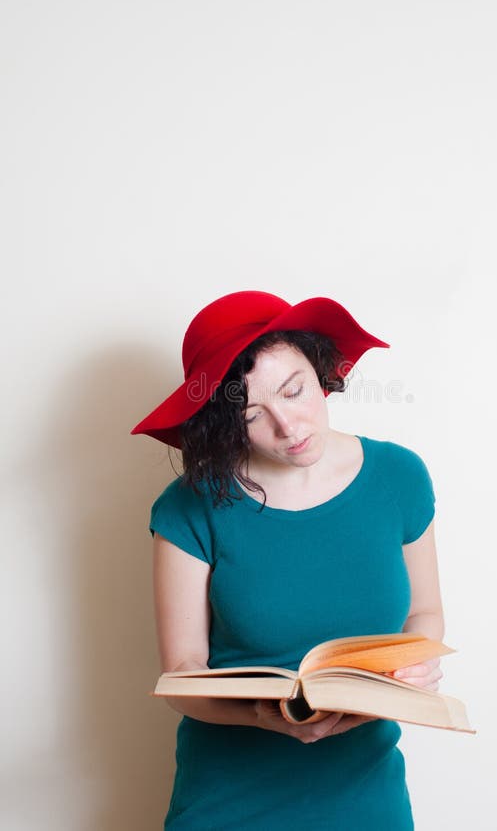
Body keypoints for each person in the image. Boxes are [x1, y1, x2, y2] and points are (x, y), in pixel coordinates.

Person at [131, 289, 445, 830]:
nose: (289, 426)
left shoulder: (399, 477)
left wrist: (414, 667)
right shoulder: (189, 506)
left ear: (319, 369)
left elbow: (424, 613)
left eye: (294, 391)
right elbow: (182, 675)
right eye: (253, 415)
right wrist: (261, 715)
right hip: (227, 802)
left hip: (366, 796)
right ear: (226, 425)